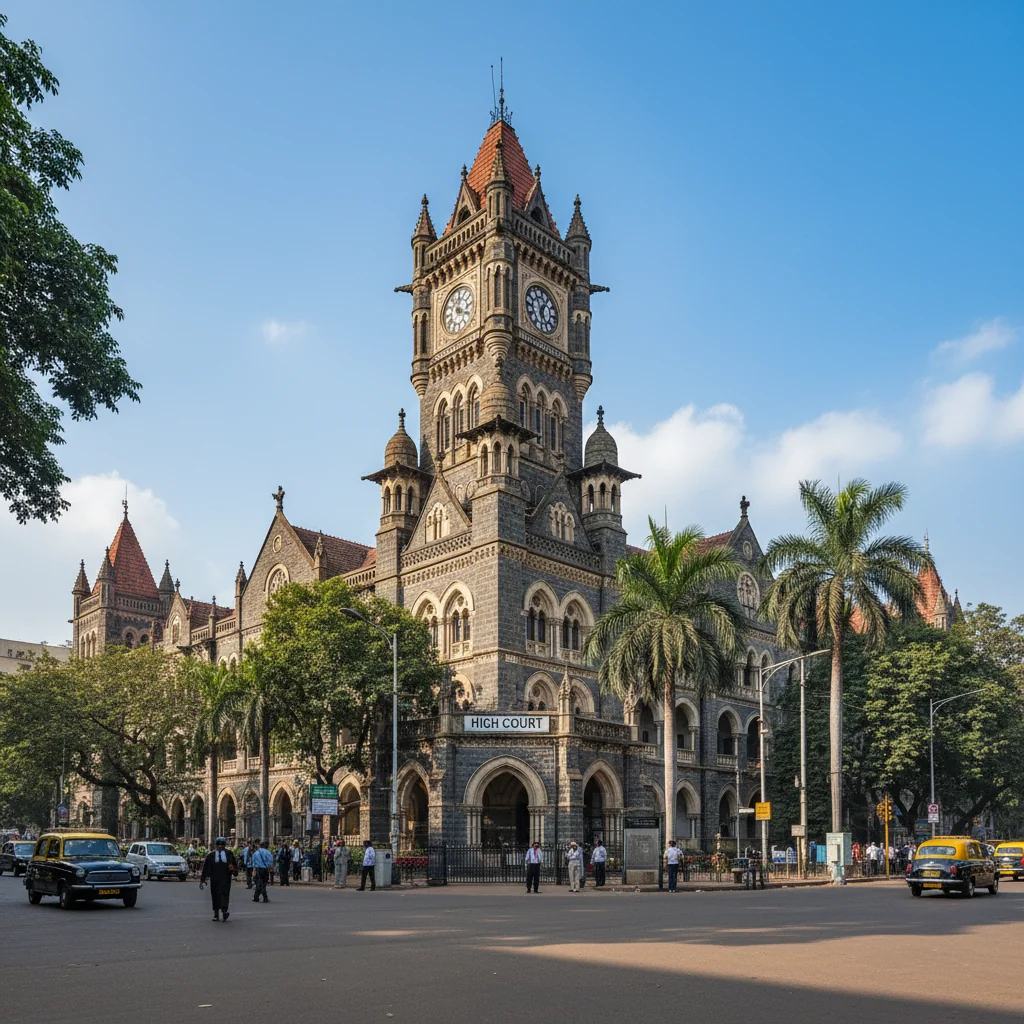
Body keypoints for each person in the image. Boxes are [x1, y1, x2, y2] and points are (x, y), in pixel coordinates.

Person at [199, 837, 237, 922]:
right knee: (215, 895)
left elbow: (234, 865)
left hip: (226, 879)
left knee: (224, 894)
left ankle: (224, 912)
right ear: (216, 845)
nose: (220, 846)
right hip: (214, 879)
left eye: (222, 844)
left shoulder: (229, 854)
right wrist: (203, 879)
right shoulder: (211, 856)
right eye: (218, 844)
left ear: (224, 845)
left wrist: (233, 870)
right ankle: (216, 913)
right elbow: (206, 868)